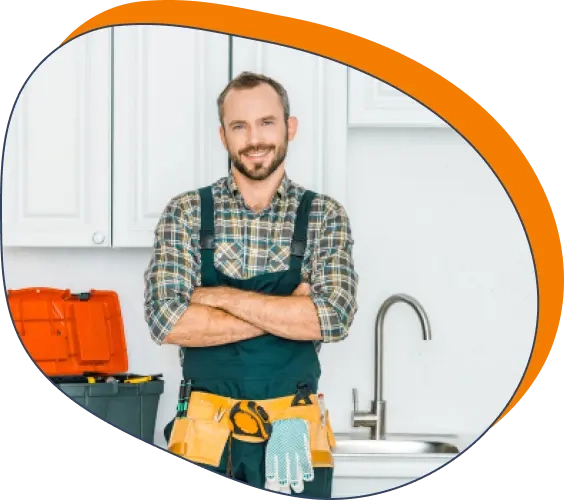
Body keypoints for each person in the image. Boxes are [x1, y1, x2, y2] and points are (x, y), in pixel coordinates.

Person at [143, 71, 359, 497]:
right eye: (239, 126)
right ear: (223, 136)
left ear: (289, 128)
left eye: (266, 122)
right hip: (205, 431)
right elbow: (167, 322)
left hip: (292, 428)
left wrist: (216, 298)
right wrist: (288, 311)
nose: (254, 138)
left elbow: (332, 318)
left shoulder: (324, 216)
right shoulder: (186, 212)